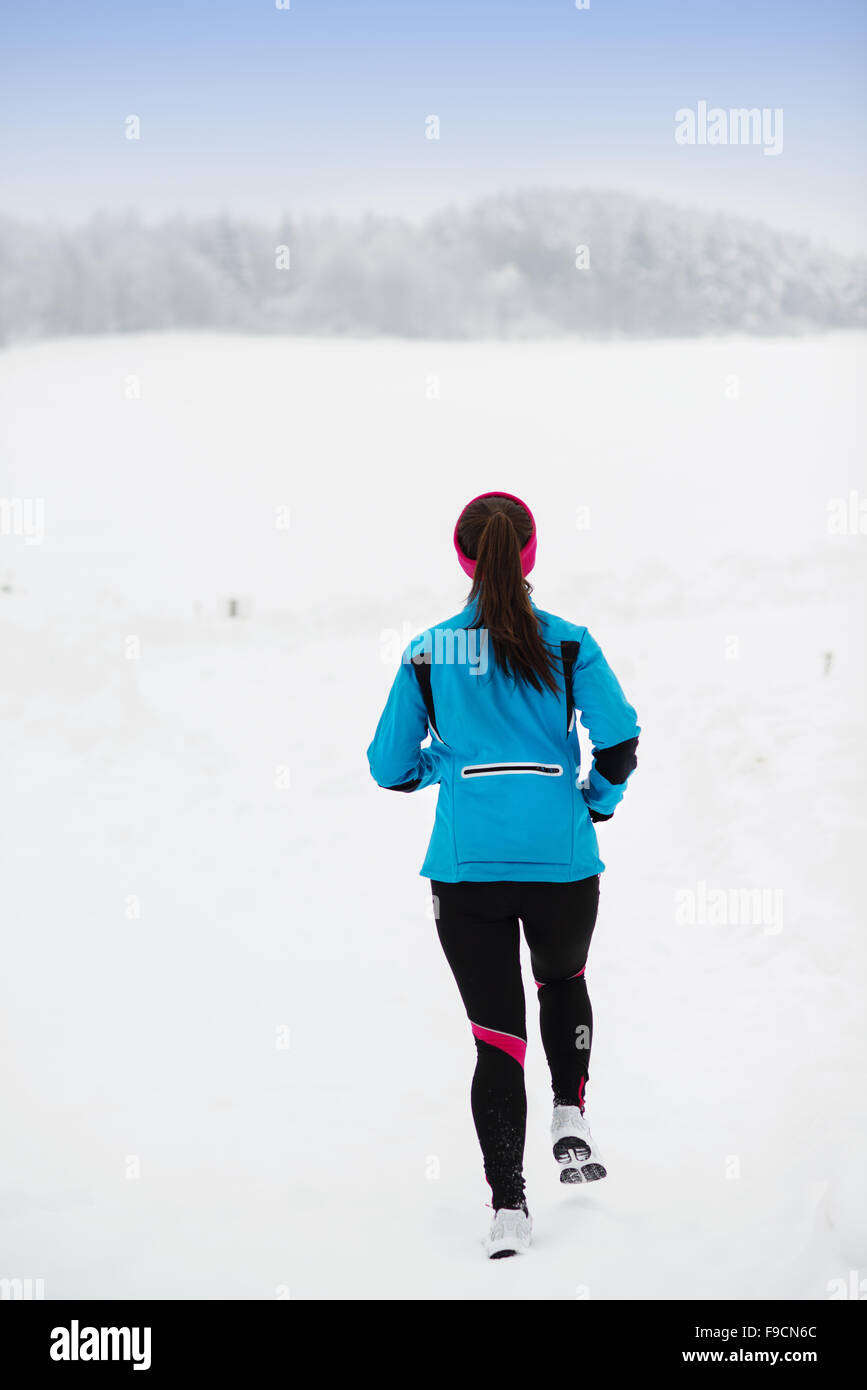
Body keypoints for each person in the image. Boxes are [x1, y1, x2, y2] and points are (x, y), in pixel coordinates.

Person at [367, 492, 640, 1258]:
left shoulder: (430, 652)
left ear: (463, 558)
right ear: (530, 553)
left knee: (497, 1041)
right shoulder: (567, 643)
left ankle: (509, 1211)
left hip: (467, 874)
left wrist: (448, 766)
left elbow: (389, 768)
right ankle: (569, 1110)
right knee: (563, 980)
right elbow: (619, 741)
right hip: (561, 864)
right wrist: (595, 801)